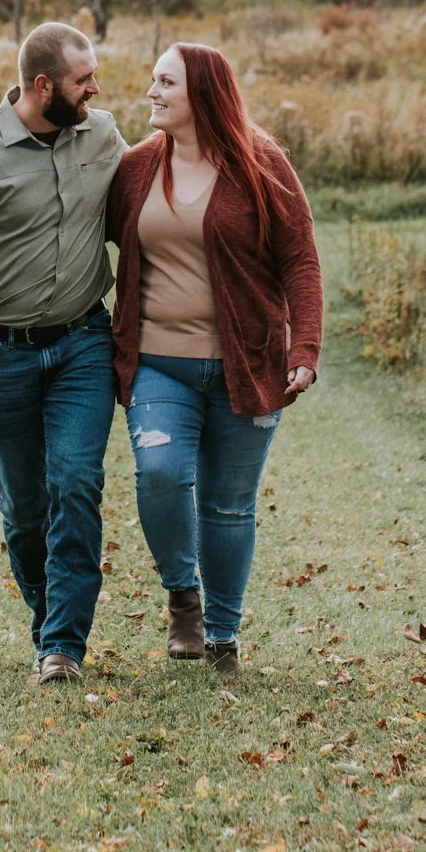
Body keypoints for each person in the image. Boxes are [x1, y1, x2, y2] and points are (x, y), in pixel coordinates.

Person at [0, 22, 126, 686]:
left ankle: (63, 643)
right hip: (1, 355)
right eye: (82, 78)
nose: (94, 88)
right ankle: (50, 621)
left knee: (76, 483)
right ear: (43, 86)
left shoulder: (103, 136)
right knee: (26, 509)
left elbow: (150, 203)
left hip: (84, 344)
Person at [106, 42, 322, 676]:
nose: (152, 92)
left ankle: (223, 634)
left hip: (247, 364)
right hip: (157, 363)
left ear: (201, 93)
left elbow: (300, 258)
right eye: (152, 80)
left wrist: (304, 345)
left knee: (229, 505)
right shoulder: (137, 167)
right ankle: (183, 597)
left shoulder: (262, 162)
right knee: (162, 475)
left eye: (165, 82)